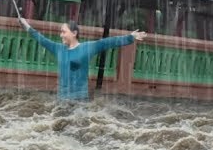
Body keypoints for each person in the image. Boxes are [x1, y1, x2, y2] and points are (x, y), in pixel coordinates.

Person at [17, 9, 146, 101]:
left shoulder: (86, 48)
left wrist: (130, 37)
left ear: (74, 33)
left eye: (63, 32)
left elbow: (107, 42)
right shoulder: (58, 49)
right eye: (61, 32)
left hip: (80, 101)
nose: (61, 35)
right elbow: (42, 40)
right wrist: (27, 26)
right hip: (62, 100)